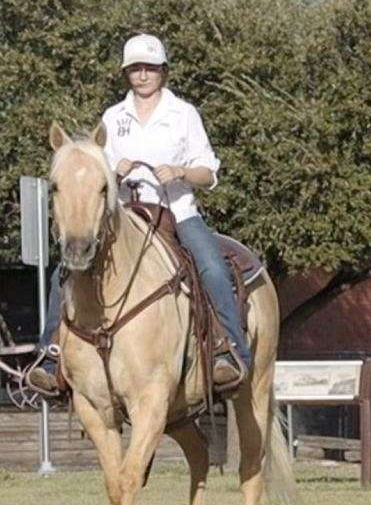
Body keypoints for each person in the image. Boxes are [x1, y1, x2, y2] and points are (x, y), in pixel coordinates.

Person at [28, 33, 251, 396]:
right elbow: (95, 173)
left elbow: (208, 173)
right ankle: (51, 355)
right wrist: (115, 171)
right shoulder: (112, 118)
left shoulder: (183, 114)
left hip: (176, 212)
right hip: (126, 215)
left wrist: (180, 171)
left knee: (211, 265)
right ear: (126, 73)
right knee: (63, 272)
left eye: (149, 68)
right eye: (134, 69)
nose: (142, 75)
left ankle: (229, 351)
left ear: (163, 71)